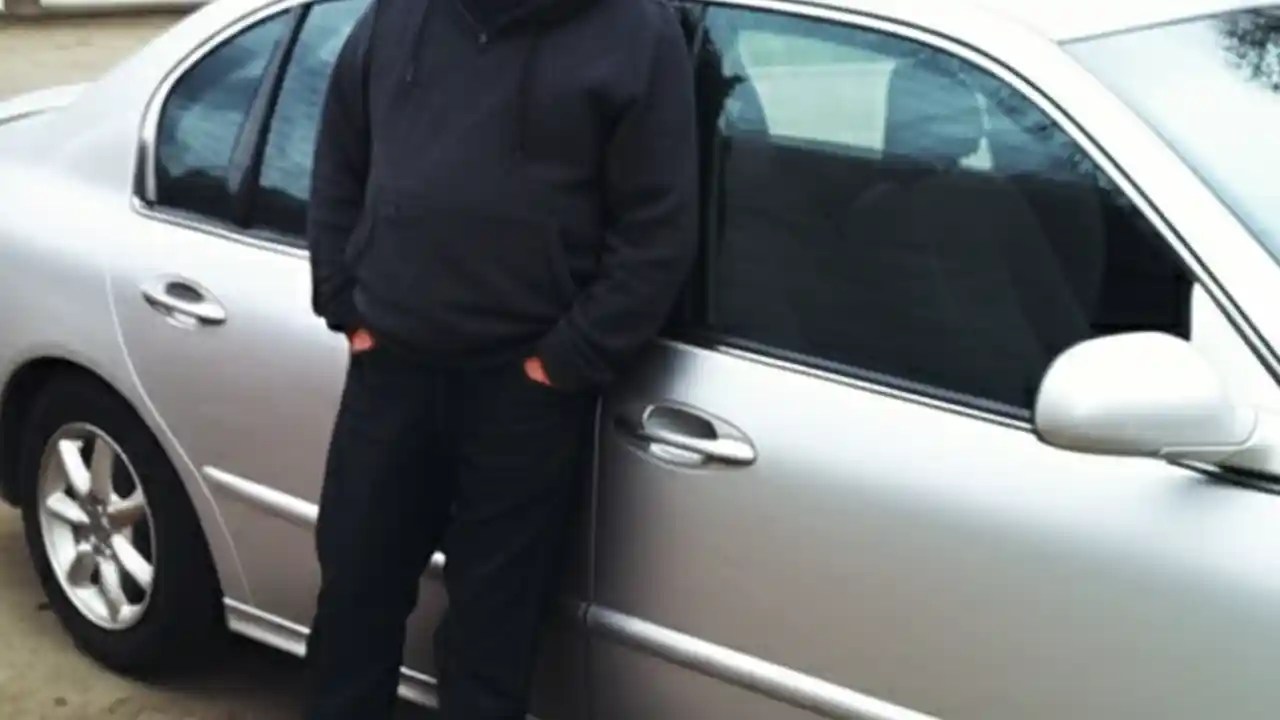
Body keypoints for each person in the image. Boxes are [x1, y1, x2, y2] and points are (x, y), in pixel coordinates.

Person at [303, 0, 698, 716]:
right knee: (352, 602)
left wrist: (565, 362)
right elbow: (339, 154)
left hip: (523, 396)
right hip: (390, 372)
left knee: (493, 636)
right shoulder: (398, 15)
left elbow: (659, 230)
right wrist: (343, 298)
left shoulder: (637, 32)